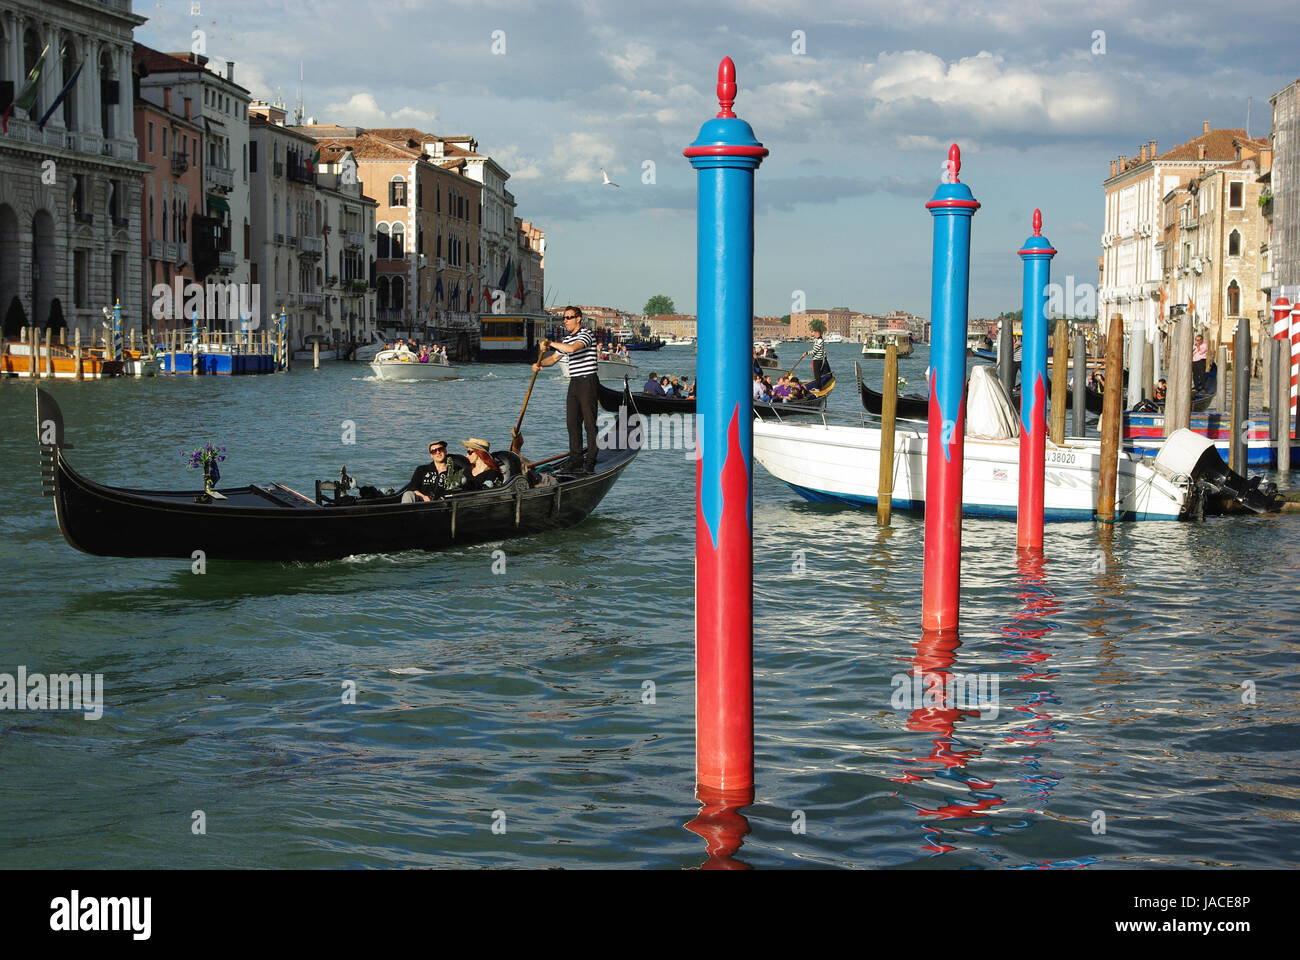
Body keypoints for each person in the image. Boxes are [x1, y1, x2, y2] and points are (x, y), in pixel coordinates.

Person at [533, 306, 599, 475]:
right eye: (564, 318)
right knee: (572, 422)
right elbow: (554, 359)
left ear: (578, 319)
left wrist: (549, 343)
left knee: (590, 423)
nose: (565, 321)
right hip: (575, 383)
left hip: (588, 381)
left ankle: (590, 460)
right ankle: (576, 459)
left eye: (569, 317)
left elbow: (573, 349)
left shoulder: (587, 334)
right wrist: (539, 364)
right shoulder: (567, 339)